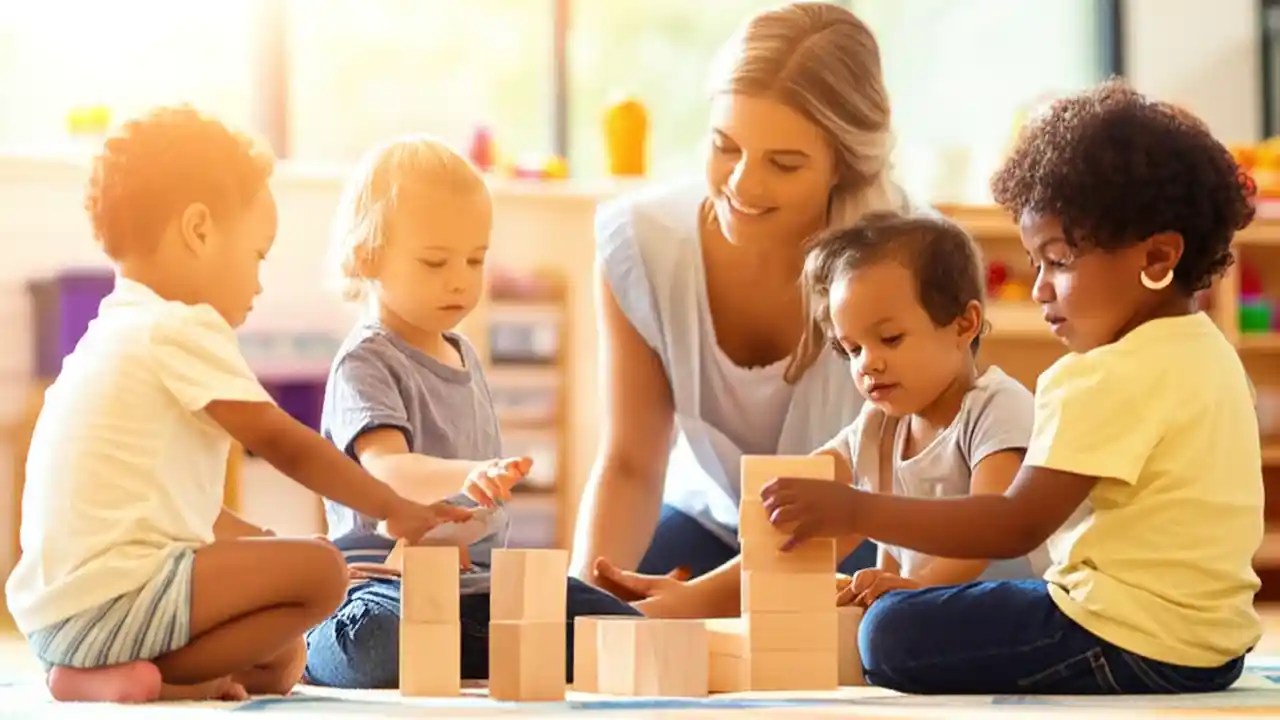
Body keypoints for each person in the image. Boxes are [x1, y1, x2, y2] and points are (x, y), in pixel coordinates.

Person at [759, 80, 1262, 694]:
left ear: (1157, 260)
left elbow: (1012, 524)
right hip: (1213, 647)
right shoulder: (1209, 350)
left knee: (889, 631)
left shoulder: (1102, 375)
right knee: (984, 603)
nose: (1042, 287)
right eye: (1035, 263)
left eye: (1059, 260)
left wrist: (856, 509)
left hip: (1125, 638)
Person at [4, 107, 472, 704]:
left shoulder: (114, 331)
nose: (257, 282)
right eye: (256, 255)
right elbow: (282, 442)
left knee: (282, 659)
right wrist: (393, 508)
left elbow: (184, 511)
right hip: (112, 602)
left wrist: (272, 547)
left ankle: (113, 676)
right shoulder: (179, 326)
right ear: (198, 230)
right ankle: (158, 677)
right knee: (323, 576)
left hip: (61, 619)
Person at [572, 0, 908, 617]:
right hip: (708, 523)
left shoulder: (911, 266)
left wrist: (698, 603)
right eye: (726, 146)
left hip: (857, 535)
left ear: (845, 166)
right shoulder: (641, 248)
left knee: (874, 628)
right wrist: (580, 610)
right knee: (612, 608)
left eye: (784, 163)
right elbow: (629, 464)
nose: (743, 186)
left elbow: (884, 489)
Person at [304, 136, 639, 689]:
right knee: (376, 648)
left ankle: (464, 651)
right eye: (435, 261)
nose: (460, 278)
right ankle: (309, 641)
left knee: (616, 628)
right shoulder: (366, 360)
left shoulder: (464, 353)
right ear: (367, 256)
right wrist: (467, 475)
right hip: (388, 582)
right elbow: (387, 469)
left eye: (475, 259)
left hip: (480, 583)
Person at [800, 213, 1045, 608]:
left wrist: (911, 586)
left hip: (1011, 604)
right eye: (853, 349)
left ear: (965, 325)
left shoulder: (997, 408)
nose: (867, 364)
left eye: (890, 339)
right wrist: (776, 489)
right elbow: (817, 470)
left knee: (885, 628)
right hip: (929, 602)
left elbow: (988, 529)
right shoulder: (880, 425)